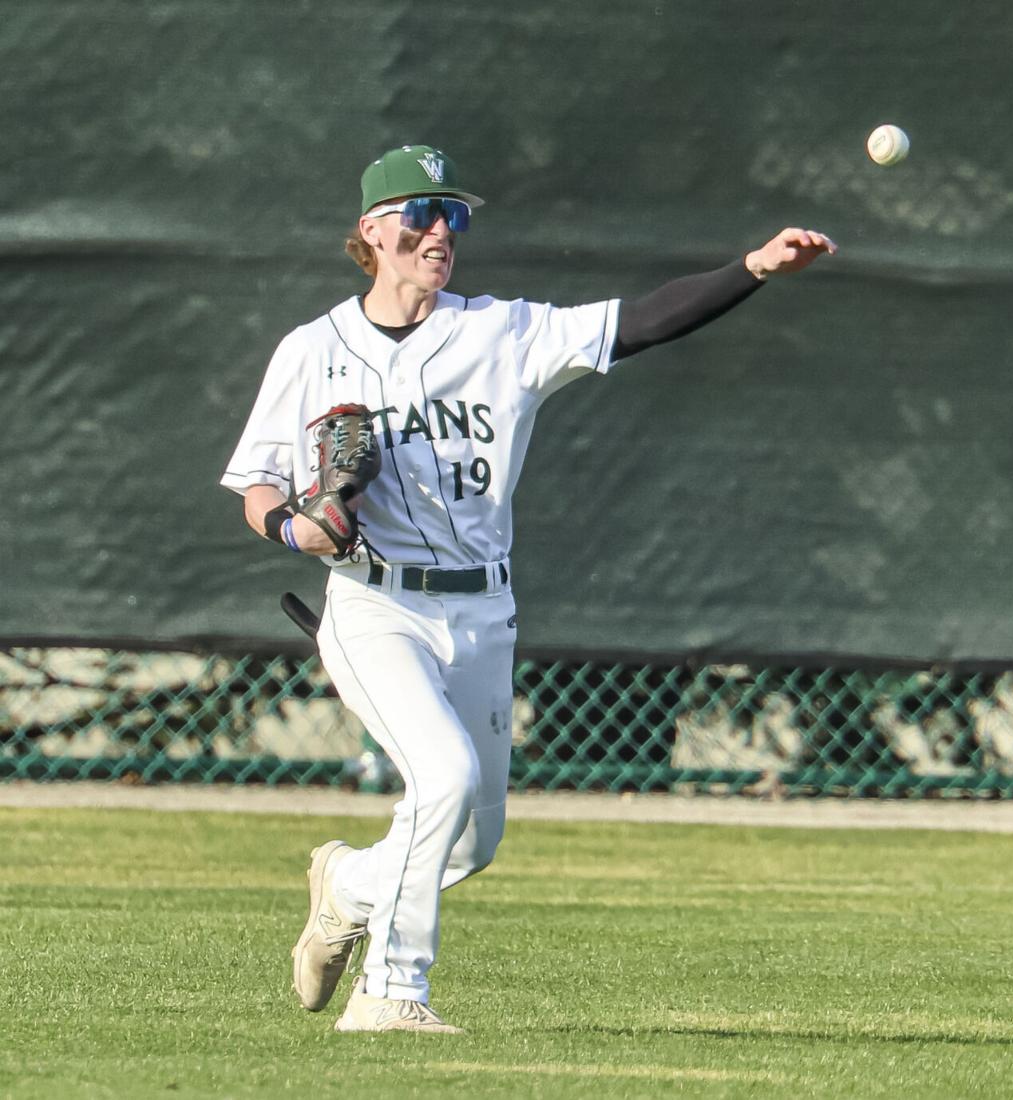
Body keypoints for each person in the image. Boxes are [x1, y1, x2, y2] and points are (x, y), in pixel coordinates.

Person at [220, 144, 836, 1033]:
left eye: (454, 216)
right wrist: (292, 528)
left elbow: (640, 323)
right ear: (372, 232)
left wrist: (755, 268)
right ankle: (391, 993)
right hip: (374, 604)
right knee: (442, 775)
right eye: (422, 214)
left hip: (483, 608)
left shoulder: (501, 334)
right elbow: (257, 484)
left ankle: (349, 884)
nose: (441, 232)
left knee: (471, 841)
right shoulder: (313, 349)